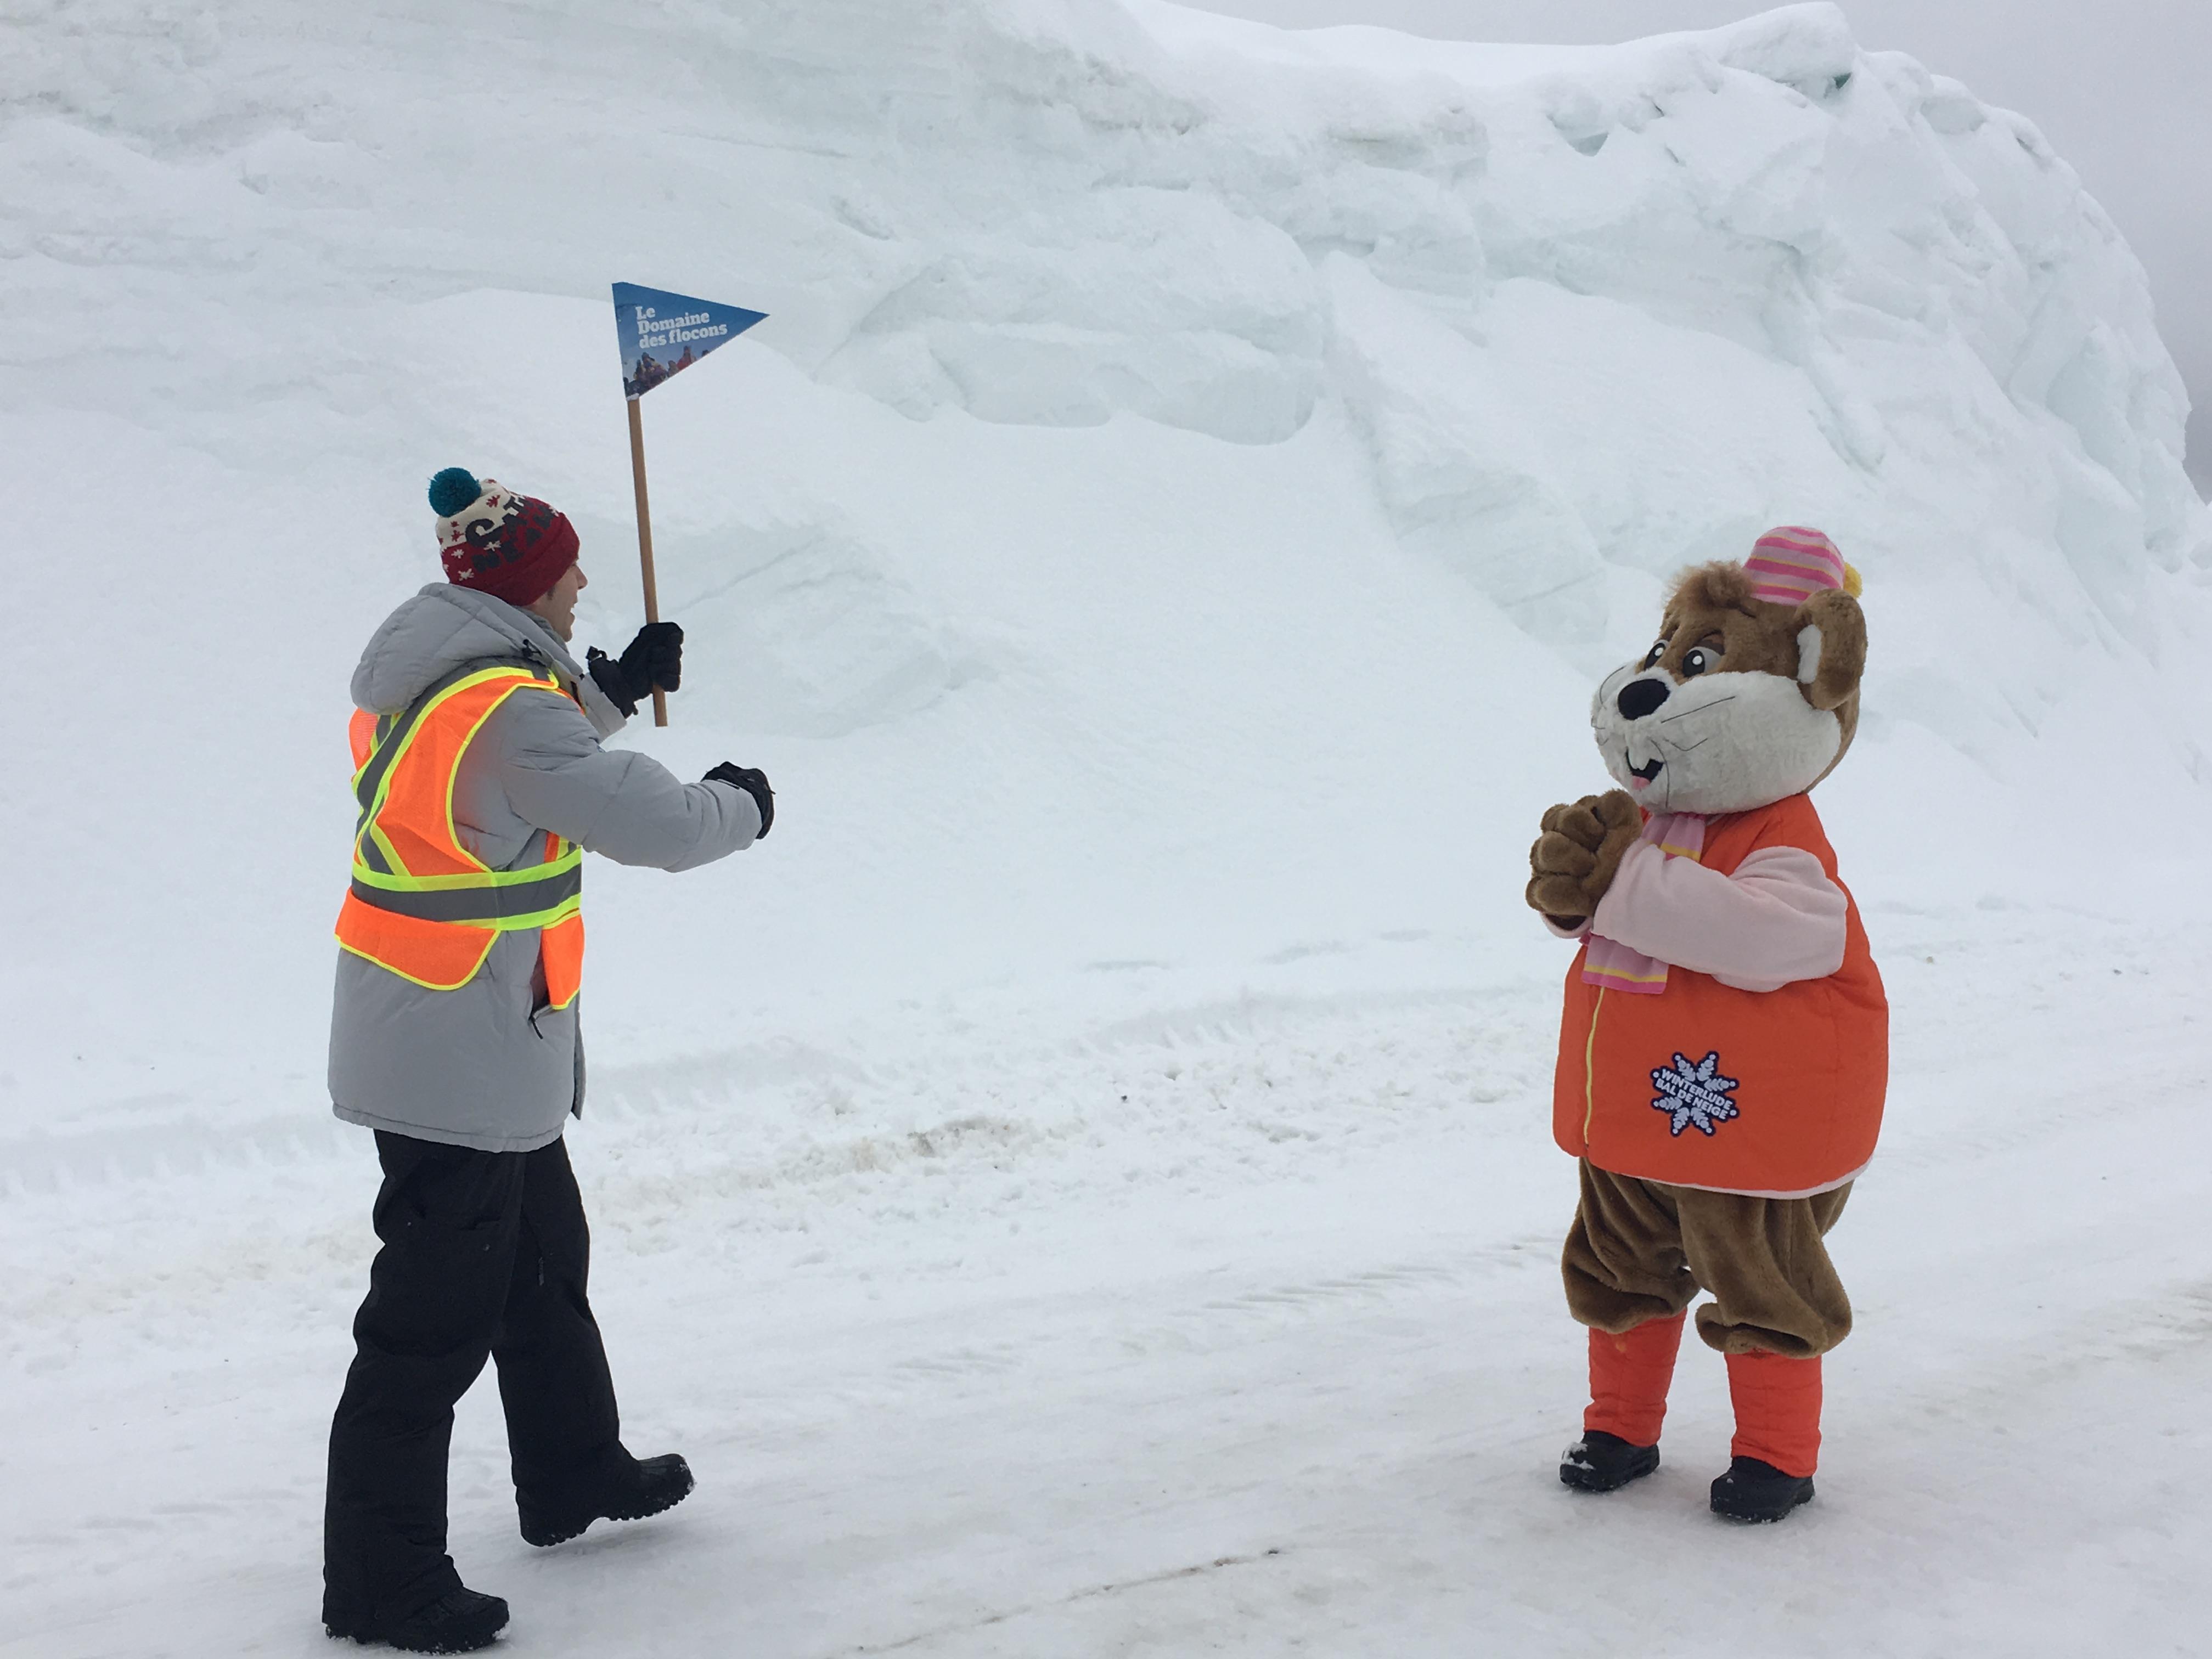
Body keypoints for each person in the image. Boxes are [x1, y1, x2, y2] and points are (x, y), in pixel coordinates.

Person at [322, 467, 776, 1653]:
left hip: (466, 1035)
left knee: (539, 1265)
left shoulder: (441, 673)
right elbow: (649, 821)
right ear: (526, 579)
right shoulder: (509, 704)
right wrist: (740, 804)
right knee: (431, 1323)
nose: (583, 582)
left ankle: (572, 1470)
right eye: (569, 567)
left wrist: (610, 688)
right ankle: (381, 1581)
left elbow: (509, 764)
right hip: (454, 1053)